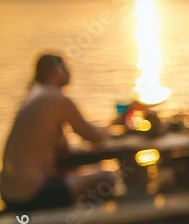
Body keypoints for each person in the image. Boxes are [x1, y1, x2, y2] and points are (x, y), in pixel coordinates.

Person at [2, 55, 114, 212]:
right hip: (32, 194)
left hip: (9, 195)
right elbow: (94, 136)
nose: (70, 71)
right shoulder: (57, 98)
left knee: (81, 171)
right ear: (56, 71)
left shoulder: (32, 96)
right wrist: (113, 127)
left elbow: (60, 150)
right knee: (106, 177)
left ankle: (72, 219)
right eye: (65, 67)